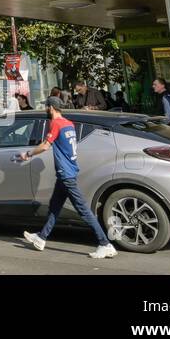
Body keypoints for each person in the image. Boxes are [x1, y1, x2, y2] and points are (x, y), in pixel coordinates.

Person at [18, 97, 116, 259]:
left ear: (51, 108)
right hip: (67, 172)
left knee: (83, 211)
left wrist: (28, 154)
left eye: (46, 107)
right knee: (55, 207)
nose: (45, 110)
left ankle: (105, 244)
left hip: (66, 175)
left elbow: (45, 145)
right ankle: (42, 237)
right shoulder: (69, 124)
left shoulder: (55, 123)